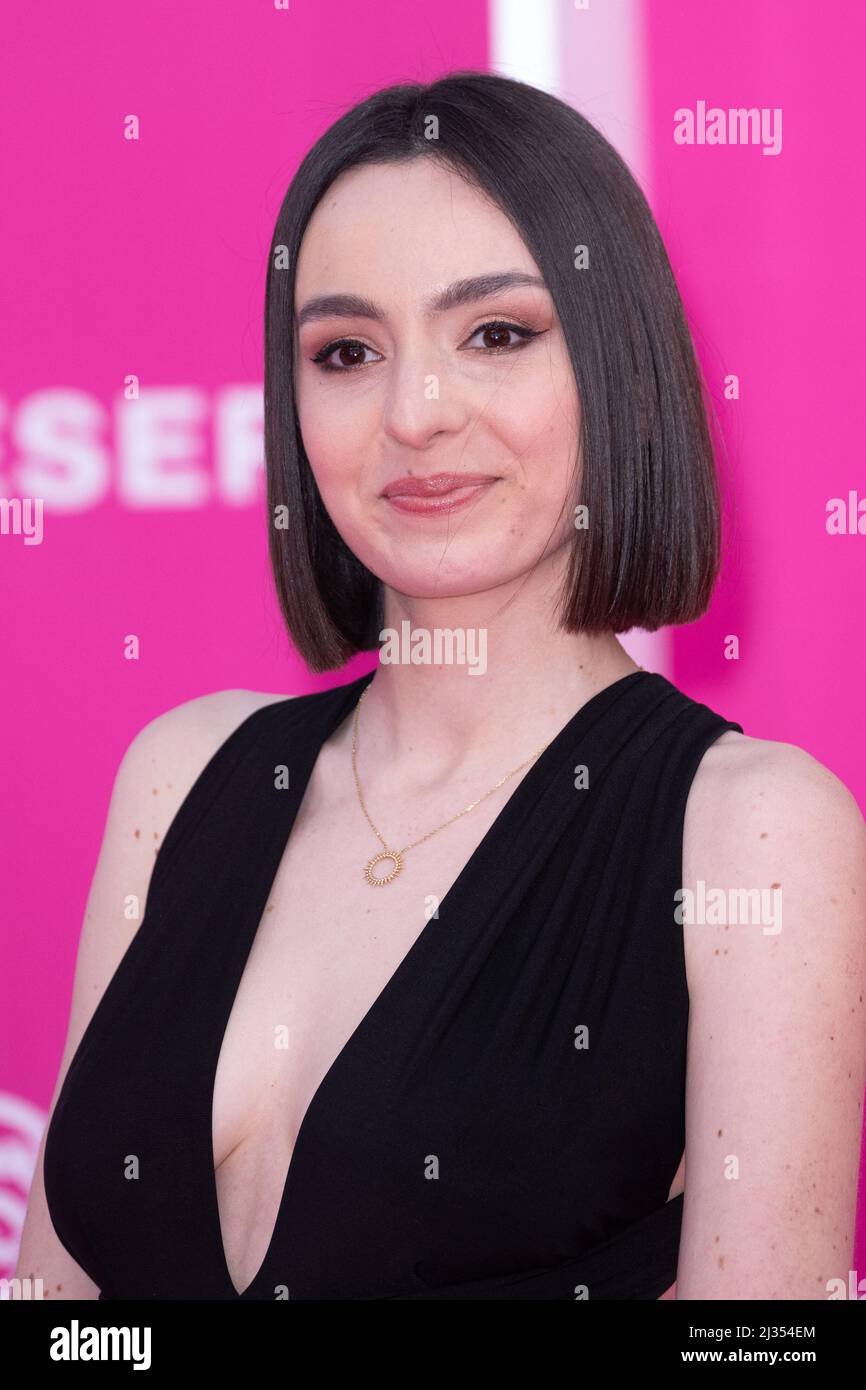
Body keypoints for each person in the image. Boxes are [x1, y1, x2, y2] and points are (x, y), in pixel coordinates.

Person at [17, 72, 866, 1301]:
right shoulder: (183, 773)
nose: (413, 413)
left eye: (496, 334)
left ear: (617, 360)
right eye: (347, 351)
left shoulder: (748, 831)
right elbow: (66, 1308)